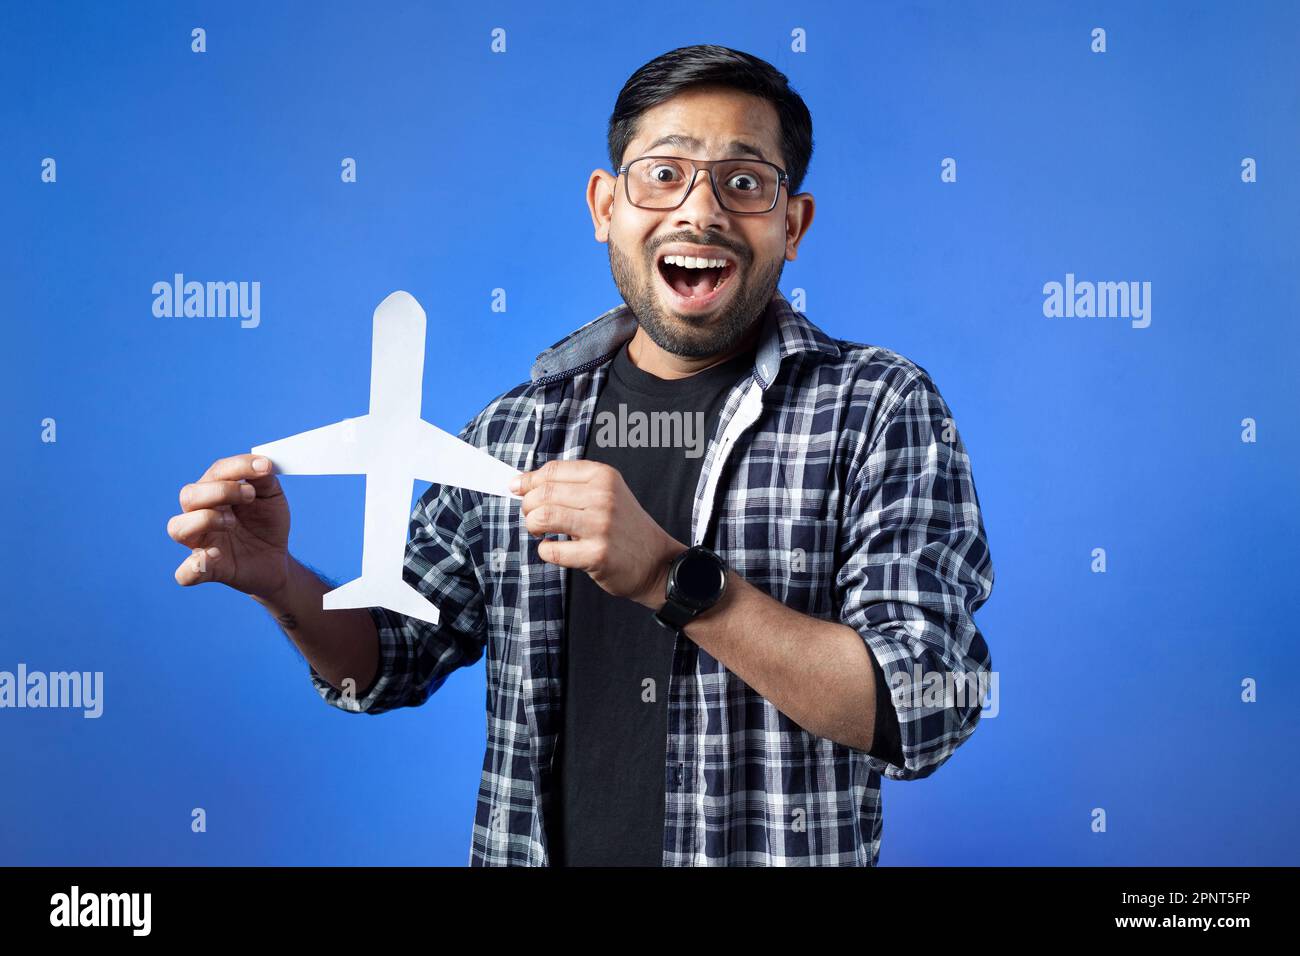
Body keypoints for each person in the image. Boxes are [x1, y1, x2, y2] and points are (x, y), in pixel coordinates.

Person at [167, 44, 995, 866]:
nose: (699, 212)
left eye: (744, 183)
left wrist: (669, 576)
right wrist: (282, 582)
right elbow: (389, 660)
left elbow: (924, 706)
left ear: (793, 224)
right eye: (663, 174)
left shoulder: (878, 410)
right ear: (605, 206)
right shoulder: (512, 431)